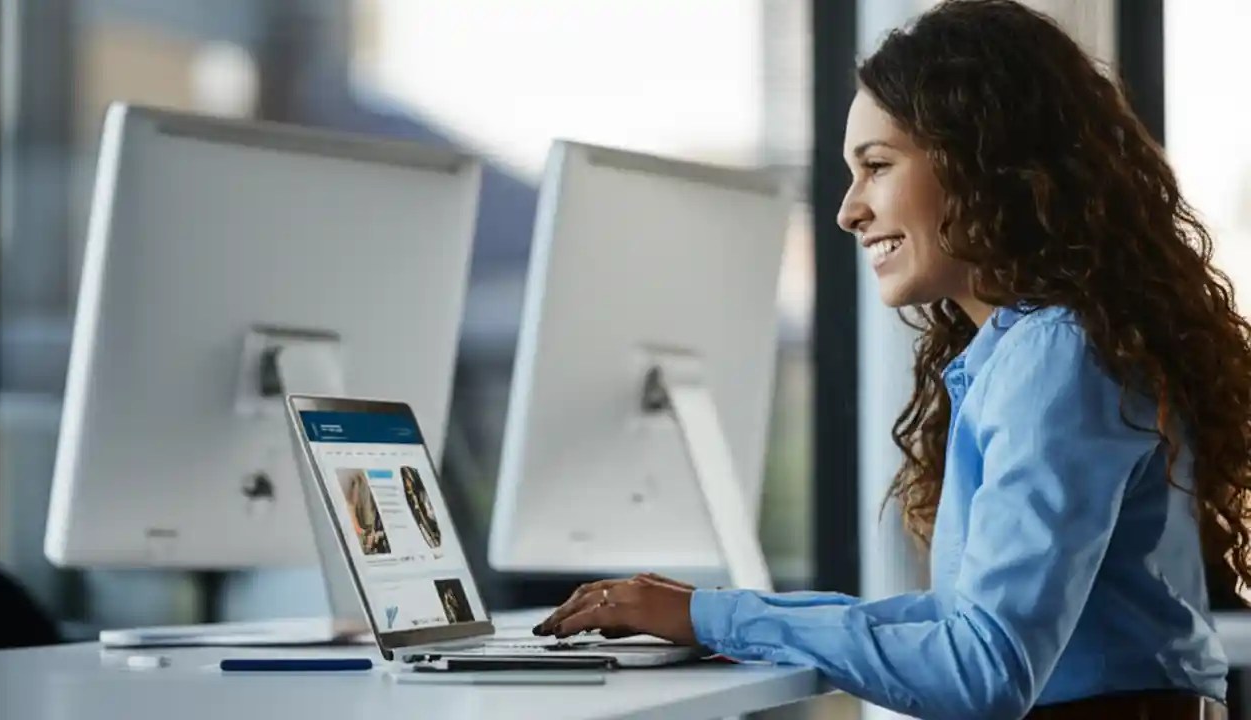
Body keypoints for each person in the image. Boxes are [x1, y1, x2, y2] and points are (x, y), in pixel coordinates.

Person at [533, 1, 1251, 717]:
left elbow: (983, 669)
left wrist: (717, 619)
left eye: (876, 165)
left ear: (986, 160)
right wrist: (715, 612)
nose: (848, 211)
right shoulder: (1031, 349)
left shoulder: (1054, 353)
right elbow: (957, 620)